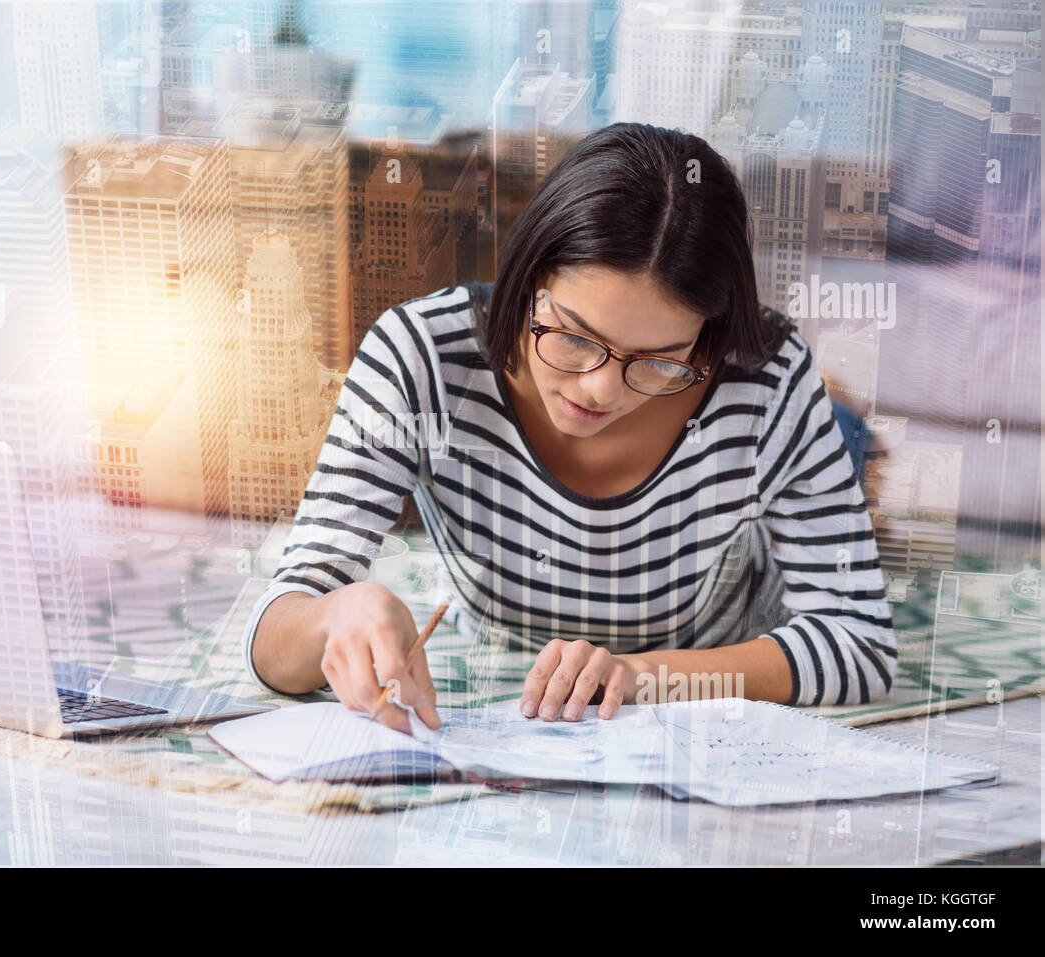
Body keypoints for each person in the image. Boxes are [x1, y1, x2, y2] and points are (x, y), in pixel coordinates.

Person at [242, 123, 897, 734]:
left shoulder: (765, 378)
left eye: (660, 359)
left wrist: (641, 676)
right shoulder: (418, 357)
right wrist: (332, 619)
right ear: (526, 278)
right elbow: (273, 637)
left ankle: (840, 422)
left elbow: (860, 645)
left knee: (847, 443)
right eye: (576, 337)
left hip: (729, 603)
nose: (600, 389)